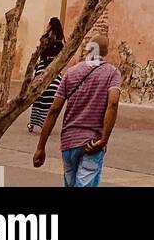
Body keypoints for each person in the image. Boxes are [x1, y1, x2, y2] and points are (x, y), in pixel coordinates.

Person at [33, 35, 121, 188]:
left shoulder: (70, 73)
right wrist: (104, 139)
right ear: (106, 52)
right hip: (92, 143)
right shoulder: (112, 73)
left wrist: (41, 147)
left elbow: (54, 110)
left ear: (87, 50)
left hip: (68, 142)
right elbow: (113, 103)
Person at [28, 18, 65, 133]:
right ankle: (43, 123)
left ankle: (35, 123)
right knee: (48, 98)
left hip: (43, 69)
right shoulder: (59, 43)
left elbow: (41, 56)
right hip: (52, 71)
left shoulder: (47, 41)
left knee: (40, 97)